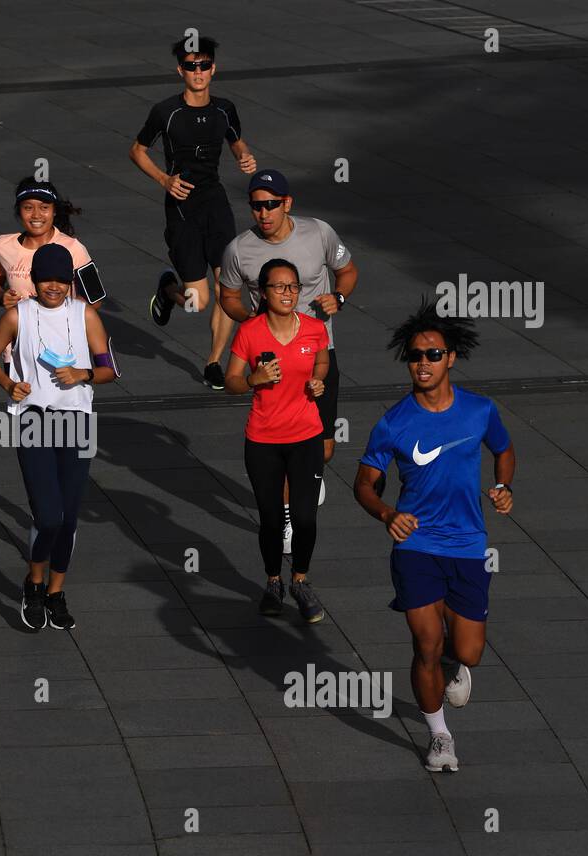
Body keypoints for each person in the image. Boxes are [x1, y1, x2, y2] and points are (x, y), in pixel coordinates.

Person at [352, 303, 516, 772]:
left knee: (468, 651)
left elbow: (504, 451)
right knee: (424, 642)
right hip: (417, 546)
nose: (422, 363)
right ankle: (440, 737)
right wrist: (387, 513)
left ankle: (453, 663)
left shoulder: (480, 411)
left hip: (467, 545)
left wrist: (504, 488)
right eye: (414, 355)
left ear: (451, 359)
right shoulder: (394, 422)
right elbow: (364, 482)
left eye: (432, 354)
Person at [0, 244, 118, 631]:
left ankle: (56, 592)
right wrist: (9, 384)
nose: (52, 286)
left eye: (60, 279)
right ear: (34, 281)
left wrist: (83, 375)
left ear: (70, 281)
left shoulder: (85, 314)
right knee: (48, 514)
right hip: (32, 420)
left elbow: (110, 369)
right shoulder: (17, 316)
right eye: (44, 279)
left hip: (77, 421)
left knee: (69, 518)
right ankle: (34, 583)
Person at [219, 169, 357, 541]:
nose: (263, 213)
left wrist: (339, 297)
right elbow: (227, 296)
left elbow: (347, 271)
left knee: (324, 447)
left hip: (317, 352)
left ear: (287, 204)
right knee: (278, 439)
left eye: (271, 205)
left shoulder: (319, 233)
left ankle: (308, 474)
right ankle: (286, 519)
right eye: (256, 206)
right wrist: (249, 320)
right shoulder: (238, 250)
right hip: (270, 357)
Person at [129, 35, 256, 390]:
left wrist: (243, 155)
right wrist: (163, 180)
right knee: (197, 302)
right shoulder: (165, 112)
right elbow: (137, 150)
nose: (197, 72)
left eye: (203, 65)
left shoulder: (224, 109)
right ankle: (169, 289)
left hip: (214, 201)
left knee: (227, 285)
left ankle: (214, 362)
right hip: (182, 205)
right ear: (180, 70)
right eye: (190, 66)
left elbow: (236, 140)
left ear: (213, 69)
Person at [223, 259, 329, 623]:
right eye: (279, 287)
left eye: (293, 287)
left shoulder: (315, 328)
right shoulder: (250, 332)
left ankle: (300, 580)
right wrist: (254, 379)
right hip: (263, 439)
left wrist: (318, 381)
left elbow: (322, 363)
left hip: (306, 437)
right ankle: (273, 581)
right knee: (270, 520)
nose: (288, 293)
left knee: (304, 518)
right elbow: (231, 380)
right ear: (263, 293)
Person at [0, 179, 94, 373]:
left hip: (63, 349)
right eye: (28, 207)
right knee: (22, 401)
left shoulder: (74, 248)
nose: (36, 215)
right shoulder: (3, 245)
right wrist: (1, 296)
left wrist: (68, 316)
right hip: (18, 349)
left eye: (44, 207)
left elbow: (95, 297)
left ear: (54, 211)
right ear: (19, 211)